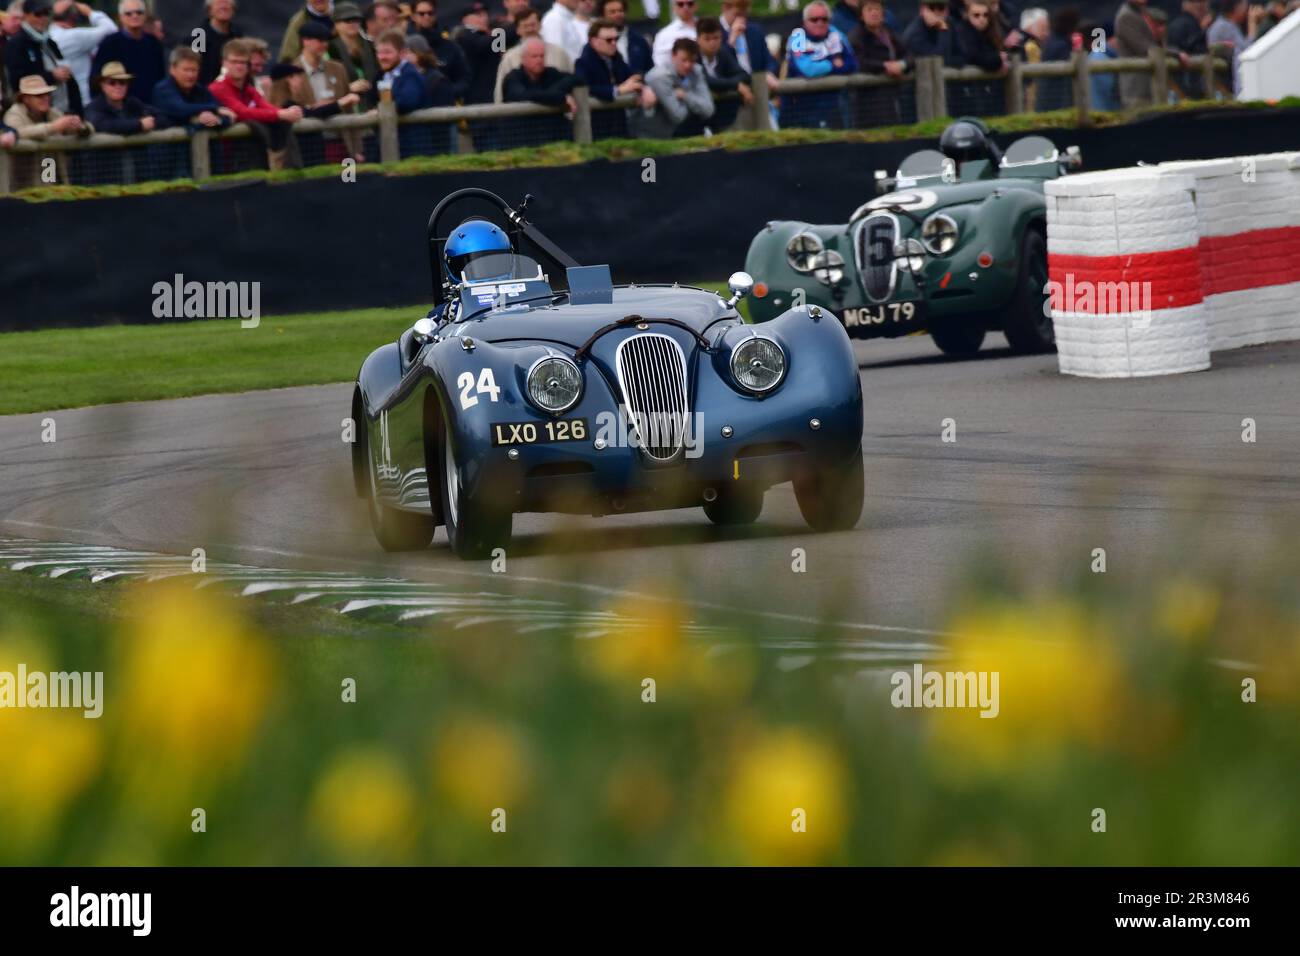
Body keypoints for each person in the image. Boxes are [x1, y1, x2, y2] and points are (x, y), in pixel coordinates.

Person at [273, 18, 364, 160]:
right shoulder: (289, 73)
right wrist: (314, 107)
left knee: (349, 180)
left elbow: (350, 111)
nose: (324, 45)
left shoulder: (338, 68)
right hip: (308, 146)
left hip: (341, 142)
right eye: (319, 40)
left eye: (326, 40)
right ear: (305, 41)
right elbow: (283, 105)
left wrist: (357, 149)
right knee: (319, 181)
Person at [209, 38, 303, 169]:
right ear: (224, 63)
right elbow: (242, 112)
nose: (239, 66)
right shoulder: (217, 88)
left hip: (250, 154)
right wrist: (281, 114)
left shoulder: (249, 89)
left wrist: (287, 112)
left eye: (242, 62)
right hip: (225, 157)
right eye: (234, 62)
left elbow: (267, 107)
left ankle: (290, 166)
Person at [3, 72, 90, 187]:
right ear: (25, 99)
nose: (45, 98)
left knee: (51, 195)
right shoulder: (14, 114)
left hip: (50, 174)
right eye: (39, 95)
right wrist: (53, 127)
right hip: (23, 182)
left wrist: (79, 127)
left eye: (47, 94)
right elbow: (18, 132)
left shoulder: (52, 112)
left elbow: (89, 128)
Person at [783, 1, 857, 129]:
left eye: (824, 19)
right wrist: (832, 64)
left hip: (835, 109)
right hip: (802, 109)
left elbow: (852, 64)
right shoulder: (797, 37)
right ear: (805, 21)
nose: (820, 23)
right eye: (814, 19)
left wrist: (819, 64)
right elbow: (807, 70)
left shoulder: (837, 35)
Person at [6, 0, 83, 117]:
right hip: (36, 115)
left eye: (46, 13)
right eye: (38, 13)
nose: (43, 18)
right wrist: (52, 76)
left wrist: (78, 112)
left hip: (64, 109)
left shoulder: (49, 42)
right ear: (26, 15)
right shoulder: (16, 43)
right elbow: (17, 82)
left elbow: (68, 76)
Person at [90, 0, 165, 104]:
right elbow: (96, 79)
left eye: (139, 12)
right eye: (128, 13)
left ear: (145, 15)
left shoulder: (153, 42)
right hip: (121, 107)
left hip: (152, 105)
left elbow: (161, 75)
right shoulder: (110, 43)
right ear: (121, 17)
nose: (134, 16)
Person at [636, 35, 712, 137]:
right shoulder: (659, 77)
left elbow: (708, 109)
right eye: (684, 60)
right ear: (673, 56)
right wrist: (696, 101)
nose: (688, 65)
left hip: (682, 133)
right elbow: (678, 115)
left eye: (692, 61)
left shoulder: (696, 70)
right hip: (654, 136)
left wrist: (685, 96)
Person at [849, 0, 909, 125]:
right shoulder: (856, 36)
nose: (874, 13)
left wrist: (901, 65)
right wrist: (884, 66)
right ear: (861, 15)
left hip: (893, 96)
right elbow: (858, 61)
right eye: (869, 9)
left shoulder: (889, 33)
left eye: (877, 9)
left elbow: (909, 55)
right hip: (868, 101)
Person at [494, 6, 572, 102]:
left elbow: (570, 81)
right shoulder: (510, 57)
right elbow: (500, 91)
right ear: (518, 30)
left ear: (540, 26)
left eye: (533, 25)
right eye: (525, 26)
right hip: (521, 113)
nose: (530, 29)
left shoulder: (559, 53)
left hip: (556, 113)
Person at [150, 45, 234, 130]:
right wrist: (215, 109)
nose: (190, 75)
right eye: (186, 70)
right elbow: (181, 109)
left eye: (194, 70)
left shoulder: (200, 89)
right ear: (173, 69)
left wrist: (216, 120)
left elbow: (227, 115)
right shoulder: (162, 89)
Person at [50, 1, 117, 104]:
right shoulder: (74, 36)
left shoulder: (48, 35)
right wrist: (89, 12)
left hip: (60, 101)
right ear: (74, 16)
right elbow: (111, 30)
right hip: (83, 101)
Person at [406, 0, 469, 100]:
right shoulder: (402, 45)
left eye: (430, 13)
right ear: (413, 16)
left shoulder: (450, 47)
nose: (426, 17)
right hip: (411, 105)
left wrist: (447, 91)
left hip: (443, 108)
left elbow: (464, 80)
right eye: (421, 14)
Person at [694, 16, 750, 130]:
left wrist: (731, 84)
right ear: (698, 40)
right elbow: (707, 81)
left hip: (722, 116)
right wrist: (736, 85)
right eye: (707, 39)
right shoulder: (694, 57)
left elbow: (744, 75)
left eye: (716, 38)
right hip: (696, 118)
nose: (712, 43)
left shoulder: (723, 53)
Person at [502, 35, 578, 110]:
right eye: (534, 56)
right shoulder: (513, 77)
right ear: (523, 59)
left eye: (542, 56)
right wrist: (559, 97)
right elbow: (523, 95)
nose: (539, 60)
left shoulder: (550, 73)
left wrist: (554, 91)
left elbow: (575, 79)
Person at [83, 59, 157, 133]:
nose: (118, 86)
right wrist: (139, 124)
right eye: (112, 83)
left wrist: (151, 121)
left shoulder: (133, 103)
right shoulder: (93, 108)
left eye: (122, 82)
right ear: (102, 86)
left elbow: (162, 117)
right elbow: (104, 125)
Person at [1206, 0, 1261, 93]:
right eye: (1245, 5)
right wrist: (1252, 23)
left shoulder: (1227, 24)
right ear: (1236, 7)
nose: (1248, 8)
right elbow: (1246, 52)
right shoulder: (1224, 27)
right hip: (1226, 82)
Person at [330, 2, 379, 106]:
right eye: (347, 20)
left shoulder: (371, 46)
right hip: (346, 107)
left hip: (374, 104)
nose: (353, 23)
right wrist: (348, 87)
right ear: (336, 24)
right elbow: (326, 85)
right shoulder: (329, 50)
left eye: (356, 19)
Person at [1114, 0, 1157, 106]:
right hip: (1136, 89)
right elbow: (1143, 47)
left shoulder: (1141, 12)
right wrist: (1175, 54)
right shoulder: (1126, 16)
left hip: (1149, 85)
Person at [455, 2, 498, 104]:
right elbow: (480, 45)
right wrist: (504, 31)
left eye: (485, 14)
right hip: (475, 97)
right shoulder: (464, 36)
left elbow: (499, 50)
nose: (483, 18)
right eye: (478, 15)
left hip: (493, 93)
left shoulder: (488, 35)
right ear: (465, 19)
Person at [1168, 0, 1210, 97]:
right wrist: (1202, 31)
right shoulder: (1190, 24)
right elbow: (1194, 48)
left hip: (1177, 82)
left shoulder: (1175, 23)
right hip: (1189, 79)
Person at [599, 0, 651, 76]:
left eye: (620, 11)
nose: (618, 15)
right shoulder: (596, 43)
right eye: (612, 12)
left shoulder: (639, 41)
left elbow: (649, 70)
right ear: (603, 16)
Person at [902, 0, 962, 65]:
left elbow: (963, 57)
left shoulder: (950, 23)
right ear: (922, 10)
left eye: (941, 8)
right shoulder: (913, 34)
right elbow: (939, 59)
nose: (936, 12)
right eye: (931, 8)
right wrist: (941, 27)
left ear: (947, 11)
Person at [1085, 20, 1121, 109]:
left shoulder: (1102, 54)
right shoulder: (1100, 58)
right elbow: (1111, 90)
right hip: (1103, 112)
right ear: (1111, 38)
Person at [653, 0, 698, 69]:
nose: (685, 8)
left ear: (696, 6)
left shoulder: (705, 27)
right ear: (674, 7)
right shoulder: (664, 34)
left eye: (690, 4)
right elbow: (660, 64)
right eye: (680, 4)